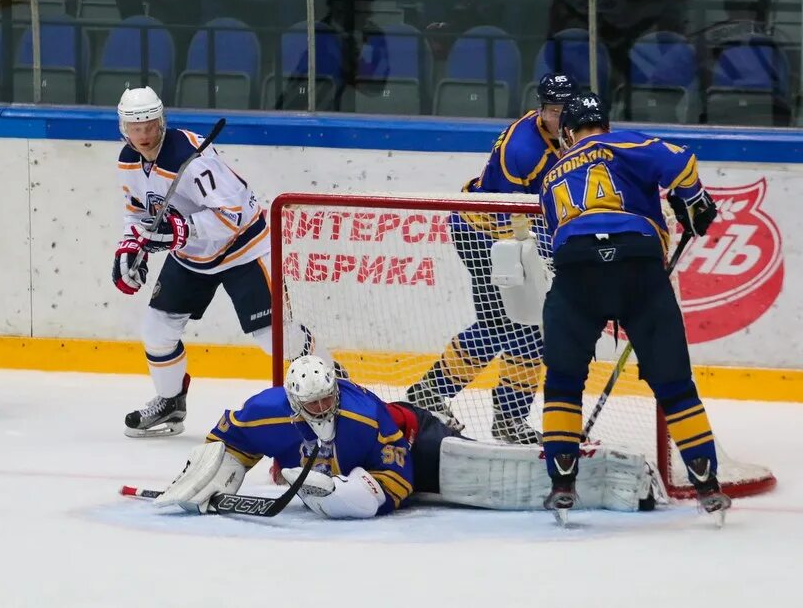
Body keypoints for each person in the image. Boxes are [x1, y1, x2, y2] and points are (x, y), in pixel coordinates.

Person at [537, 92, 730, 523]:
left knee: (563, 382)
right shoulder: (624, 143)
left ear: (568, 131)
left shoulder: (551, 177)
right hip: (638, 268)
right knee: (675, 384)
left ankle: (562, 481)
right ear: (604, 122)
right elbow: (681, 161)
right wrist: (693, 202)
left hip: (577, 273)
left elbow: (554, 241)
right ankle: (706, 484)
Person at [153, 356, 661, 518]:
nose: (322, 409)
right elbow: (230, 438)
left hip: (420, 441)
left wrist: (348, 497)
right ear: (293, 402)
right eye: (312, 405)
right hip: (363, 464)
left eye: (328, 399)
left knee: (505, 478)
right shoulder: (265, 412)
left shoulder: (367, 416)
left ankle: (615, 471)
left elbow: (398, 482)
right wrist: (226, 463)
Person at [112, 86, 323, 438]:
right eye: (137, 128)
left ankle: (337, 389)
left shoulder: (192, 157)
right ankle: (170, 402)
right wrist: (129, 248)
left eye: (150, 125)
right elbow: (137, 212)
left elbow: (229, 216)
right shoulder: (127, 161)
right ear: (124, 129)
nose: (145, 135)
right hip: (193, 255)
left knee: (276, 338)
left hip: (243, 248)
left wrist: (179, 230)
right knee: (157, 331)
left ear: (161, 121)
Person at [405, 73, 576, 445]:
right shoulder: (524, 151)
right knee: (514, 326)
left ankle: (440, 396)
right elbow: (515, 223)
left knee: (519, 329)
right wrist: (562, 253)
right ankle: (452, 401)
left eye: (564, 110)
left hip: (511, 236)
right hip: (484, 235)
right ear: (541, 107)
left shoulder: (575, 136)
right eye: (551, 110)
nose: (558, 118)